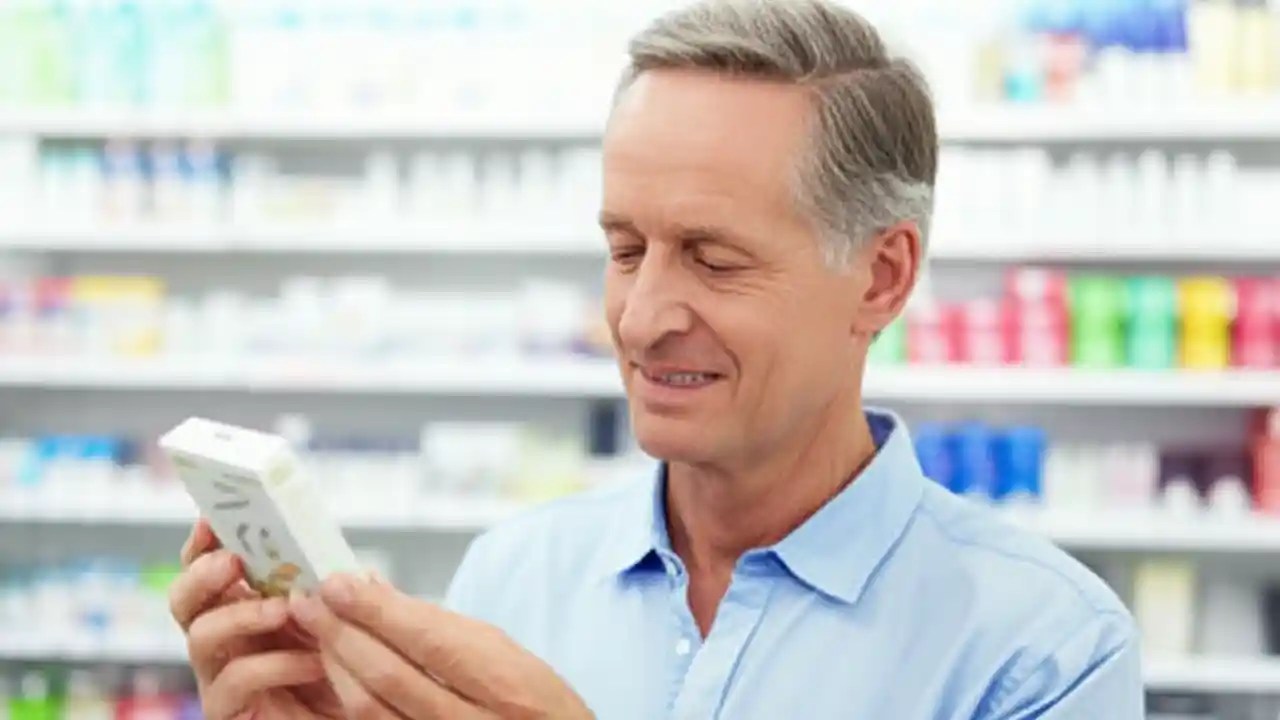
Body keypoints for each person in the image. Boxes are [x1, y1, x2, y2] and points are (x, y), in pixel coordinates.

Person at [168, 1, 1145, 718]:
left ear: (880, 278)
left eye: (713, 261)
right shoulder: (513, 577)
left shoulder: (1037, 651)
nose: (637, 319)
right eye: (624, 250)